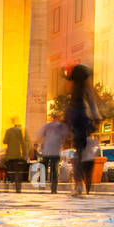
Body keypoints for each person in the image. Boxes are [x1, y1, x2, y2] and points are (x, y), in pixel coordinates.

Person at [65, 64, 102, 197]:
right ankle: (82, 182)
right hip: (84, 118)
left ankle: (78, 183)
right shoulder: (86, 87)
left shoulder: (74, 89)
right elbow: (91, 102)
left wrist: (67, 123)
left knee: (78, 152)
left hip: (76, 119)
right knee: (84, 151)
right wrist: (97, 116)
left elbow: (69, 107)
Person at [37, 111, 69, 194]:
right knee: (54, 171)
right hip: (55, 152)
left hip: (47, 151)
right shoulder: (61, 127)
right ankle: (53, 189)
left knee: (43, 169)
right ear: (58, 117)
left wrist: (40, 145)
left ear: (52, 117)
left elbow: (39, 135)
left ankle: (42, 186)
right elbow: (65, 136)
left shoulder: (46, 126)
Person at [3, 117, 27, 194]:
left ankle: (10, 184)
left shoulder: (8, 131)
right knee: (18, 171)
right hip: (17, 154)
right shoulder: (19, 131)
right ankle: (18, 188)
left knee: (9, 171)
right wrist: (24, 153)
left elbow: (5, 141)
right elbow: (22, 143)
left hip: (10, 155)